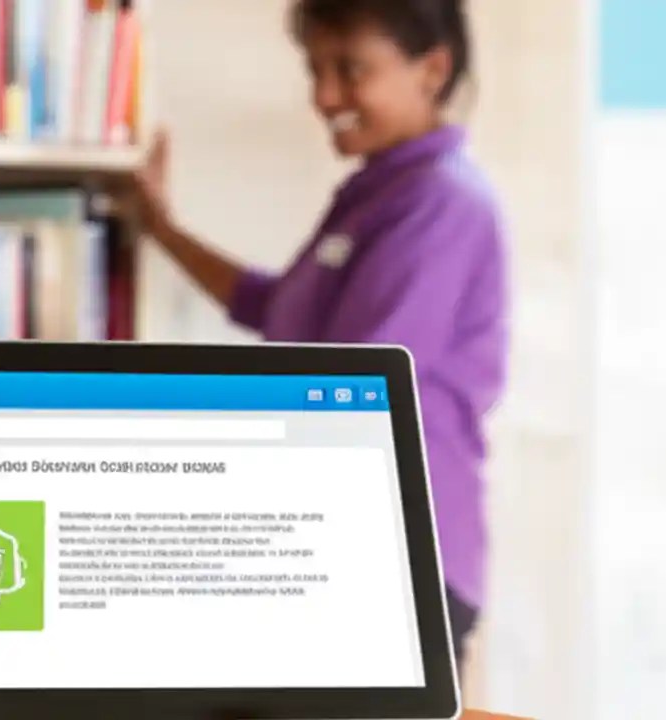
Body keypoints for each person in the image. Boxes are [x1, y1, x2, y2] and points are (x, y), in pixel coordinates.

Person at [131, 0, 508, 667]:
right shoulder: (373, 195)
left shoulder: (442, 202)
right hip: (338, 544)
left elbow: (353, 385)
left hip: (398, 557)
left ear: (433, 69)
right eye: (315, 70)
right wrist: (162, 230)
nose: (325, 96)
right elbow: (275, 308)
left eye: (350, 69)